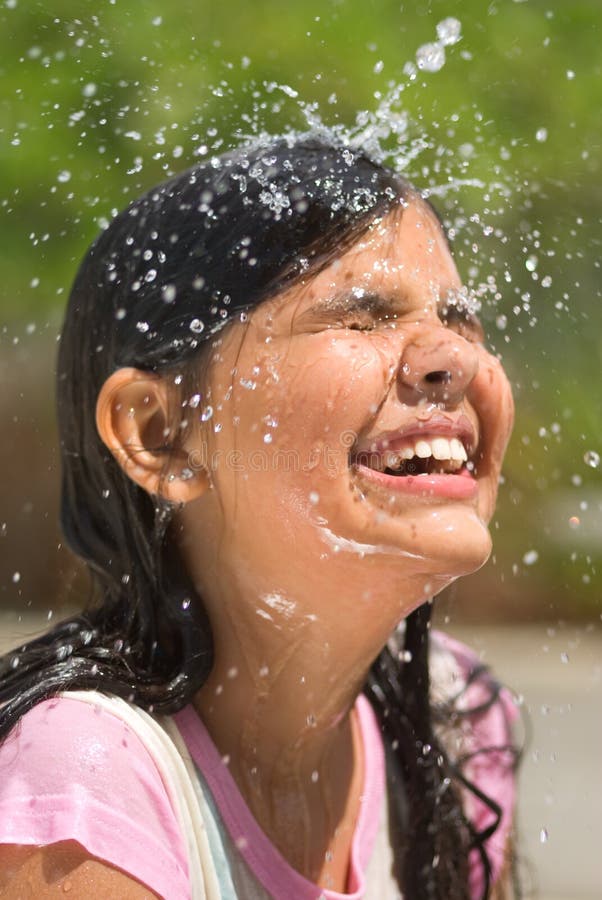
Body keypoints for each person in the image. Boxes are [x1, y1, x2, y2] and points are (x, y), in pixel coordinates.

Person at [0, 137, 518, 899]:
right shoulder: (90, 783)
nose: (456, 360)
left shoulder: (453, 721)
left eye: (459, 318)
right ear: (160, 436)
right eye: (363, 316)